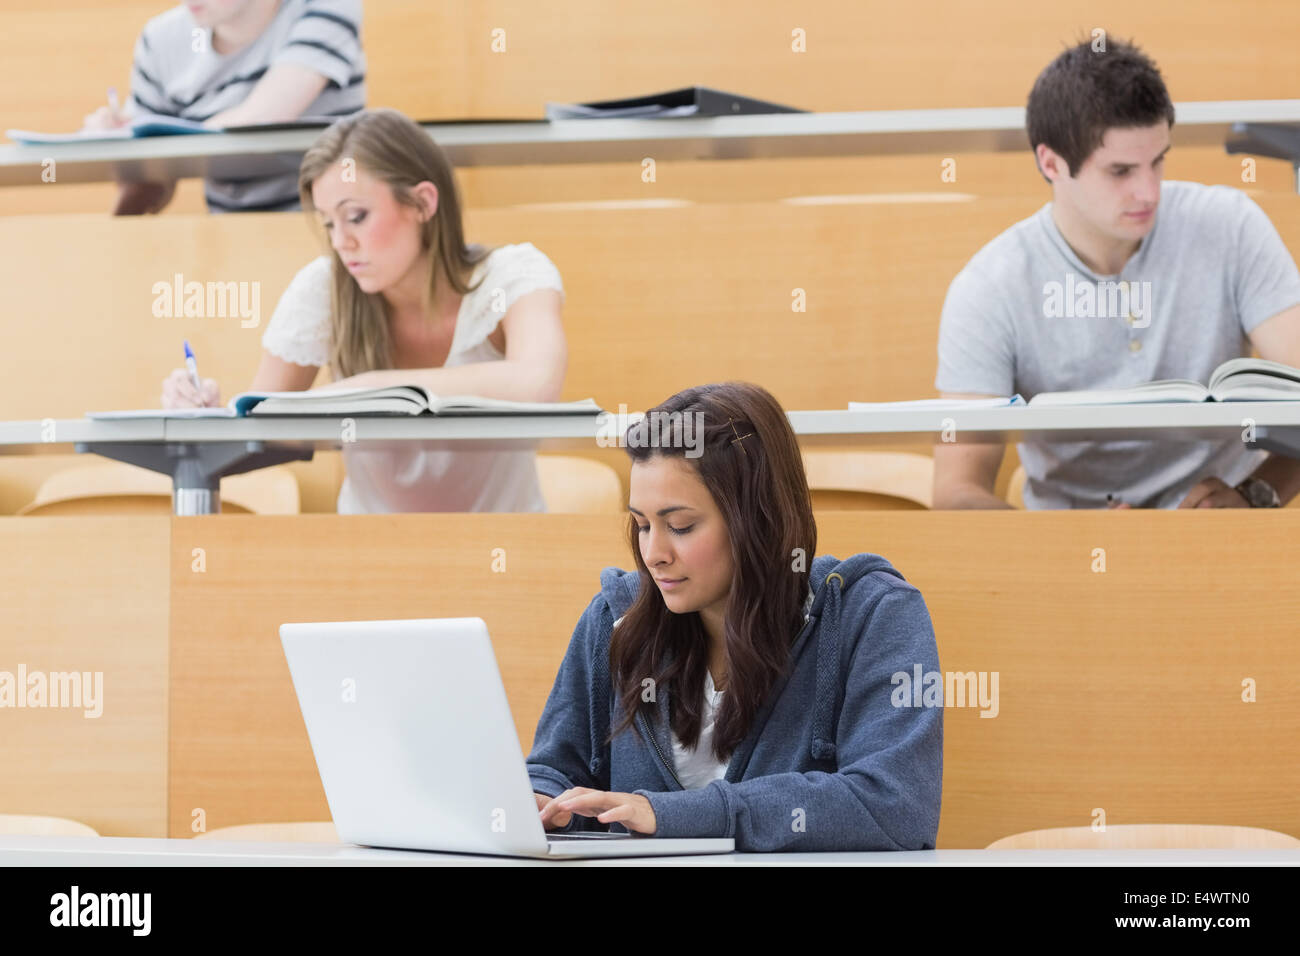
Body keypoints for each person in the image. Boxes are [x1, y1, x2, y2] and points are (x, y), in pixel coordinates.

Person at [526, 382, 943, 851]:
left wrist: (676, 815)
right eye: (642, 525)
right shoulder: (613, 618)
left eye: (680, 526)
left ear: (757, 520)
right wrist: (537, 804)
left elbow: (896, 806)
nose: (653, 554)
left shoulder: (874, 615)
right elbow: (555, 770)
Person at [933, 36, 1300, 510]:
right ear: (1051, 163)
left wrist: (1252, 497)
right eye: (1121, 171)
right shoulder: (990, 286)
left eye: (1158, 160)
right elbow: (955, 490)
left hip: (1222, 535)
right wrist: (1067, 545)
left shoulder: (1231, 226)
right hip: (1062, 557)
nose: (1149, 191)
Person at [161, 108, 567, 513]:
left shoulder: (513, 275)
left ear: (423, 203)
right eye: (328, 224)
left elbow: (538, 383)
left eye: (356, 216)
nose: (341, 242)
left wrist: (367, 388)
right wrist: (207, 419)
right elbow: (263, 429)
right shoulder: (324, 288)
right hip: (371, 555)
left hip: (505, 553)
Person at [84, 0, 366, 214]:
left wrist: (156, 142)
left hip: (329, 232)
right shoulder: (161, 40)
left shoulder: (325, 6)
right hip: (228, 237)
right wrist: (117, 145)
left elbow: (261, 119)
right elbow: (153, 192)